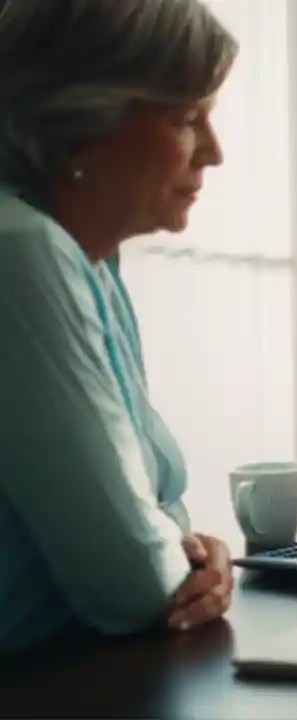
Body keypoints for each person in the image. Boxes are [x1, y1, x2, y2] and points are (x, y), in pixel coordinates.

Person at [0, 0, 238, 651]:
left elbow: (154, 513)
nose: (214, 153)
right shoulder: (20, 252)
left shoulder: (90, 258)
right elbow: (130, 582)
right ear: (79, 121)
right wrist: (171, 554)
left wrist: (193, 552)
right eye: (188, 119)